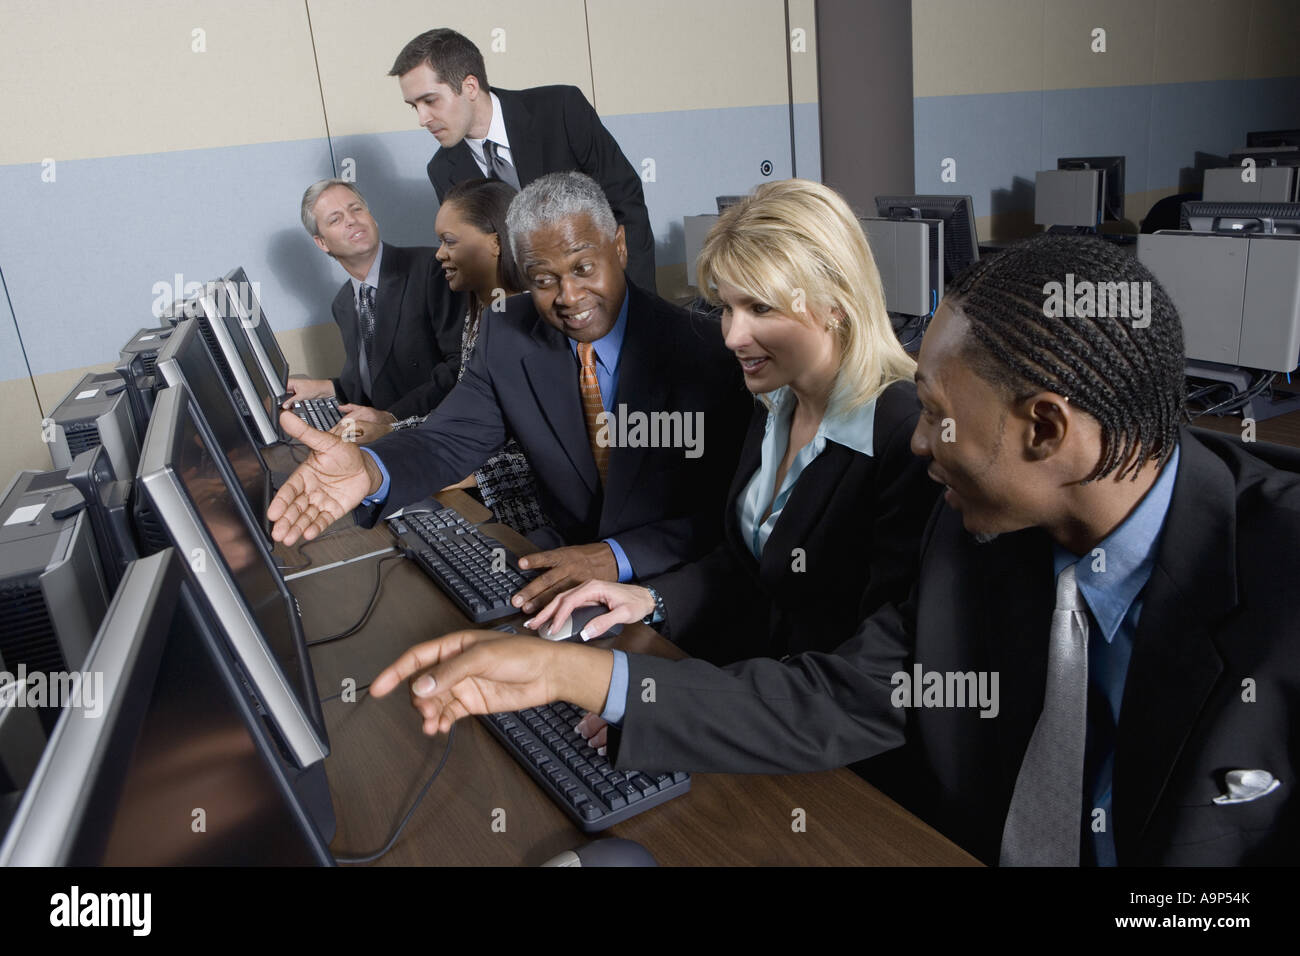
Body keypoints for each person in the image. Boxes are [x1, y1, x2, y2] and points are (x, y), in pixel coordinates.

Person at [369, 235, 1300, 866]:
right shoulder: (980, 527)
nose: (920, 442)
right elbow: (846, 696)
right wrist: (573, 677)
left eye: (939, 419)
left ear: (1047, 430)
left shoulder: (1281, 573)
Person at [270, 171, 752, 615]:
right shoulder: (506, 332)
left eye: (584, 268)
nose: (568, 296)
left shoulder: (706, 353)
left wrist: (614, 558)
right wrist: (371, 468)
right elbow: (447, 439)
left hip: (672, 592)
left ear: (619, 247)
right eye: (544, 280)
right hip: (561, 575)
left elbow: (728, 515)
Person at [527, 179, 938, 666]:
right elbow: (753, 570)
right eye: (726, 307)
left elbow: (870, 669)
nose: (732, 335)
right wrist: (654, 600)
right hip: (749, 683)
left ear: (835, 304)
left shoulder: (903, 434)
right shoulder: (773, 402)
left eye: (760, 308)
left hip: (812, 721)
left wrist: (680, 704)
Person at [337, 177, 551, 537]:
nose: (439, 254)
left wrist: (455, 472)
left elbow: (545, 455)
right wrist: (391, 430)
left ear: (496, 242)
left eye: (449, 241)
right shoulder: (480, 314)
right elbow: (466, 422)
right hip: (483, 499)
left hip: (529, 520)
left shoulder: (534, 325)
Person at [390, 28, 657, 292]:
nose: (422, 119)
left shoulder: (561, 109)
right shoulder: (441, 170)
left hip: (602, 294)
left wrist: (634, 304)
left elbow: (625, 204)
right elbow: (481, 263)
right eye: (414, 106)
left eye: (430, 101)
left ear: (470, 86)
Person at [283, 179, 467, 422]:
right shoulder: (343, 304)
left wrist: (390, 418)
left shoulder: (430, 270)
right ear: (322, 243)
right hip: (387, 434)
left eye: (356, 209)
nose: (351, 220)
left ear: (372, 217)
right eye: (335, 219)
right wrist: (324, 388)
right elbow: (375, 379)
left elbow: (461, 367)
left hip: (437, 427)